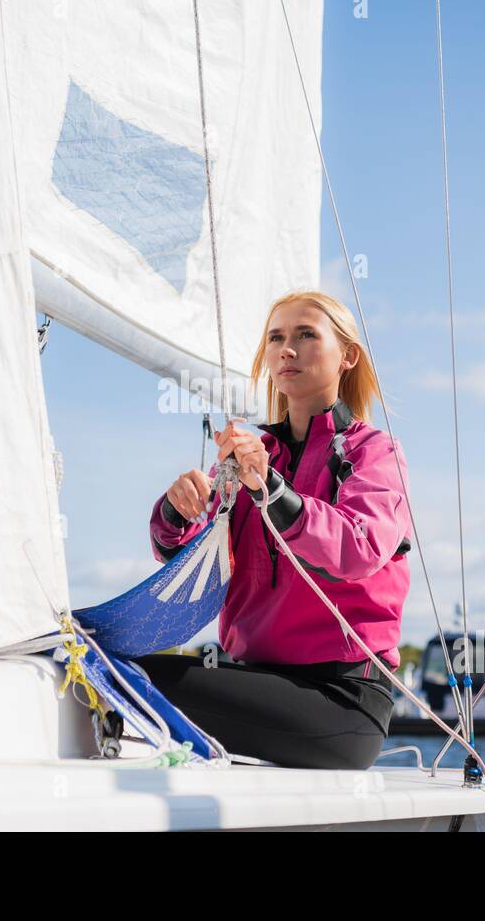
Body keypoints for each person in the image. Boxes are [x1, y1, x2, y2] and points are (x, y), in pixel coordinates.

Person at [132, 290, 413, 769]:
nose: (288, 349)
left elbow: (358, 547)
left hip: (340, 698)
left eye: (306, 335)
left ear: (347, 356)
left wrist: (272, 490)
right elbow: (196, 562)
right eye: (276, 338)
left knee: (135, 684)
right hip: (249, 681)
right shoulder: (251, 455)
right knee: (111, 674)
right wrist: (176, 514)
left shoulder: (373, 453)